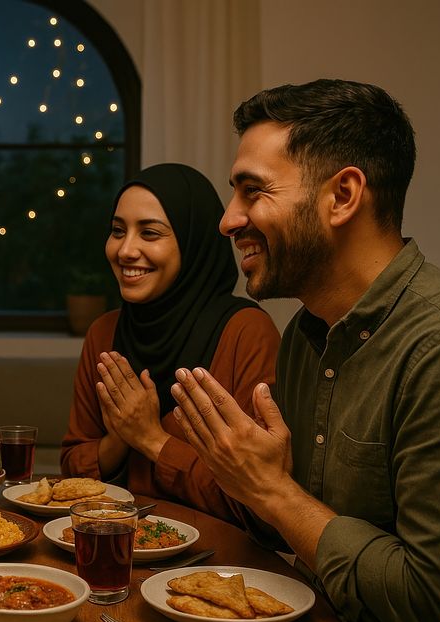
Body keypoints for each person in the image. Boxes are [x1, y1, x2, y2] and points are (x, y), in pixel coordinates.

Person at [170, 79, 440, 622]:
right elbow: (290, 531)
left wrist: (270, 490)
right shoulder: (304, 333)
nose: (228, 220)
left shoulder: (435, 348)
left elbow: (434, 605)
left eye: (252, 192)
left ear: (342, 195)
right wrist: (238, 473)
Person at [61, 163, 280, 526]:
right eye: (118, 231)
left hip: (219, 564)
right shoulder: (104, 332)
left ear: (192, 243)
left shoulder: (246, 332)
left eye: (149, 233)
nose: (126, 250)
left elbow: (260, 501)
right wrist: (119, 437)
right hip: (111, 545)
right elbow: (72, 470)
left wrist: (150, 439)